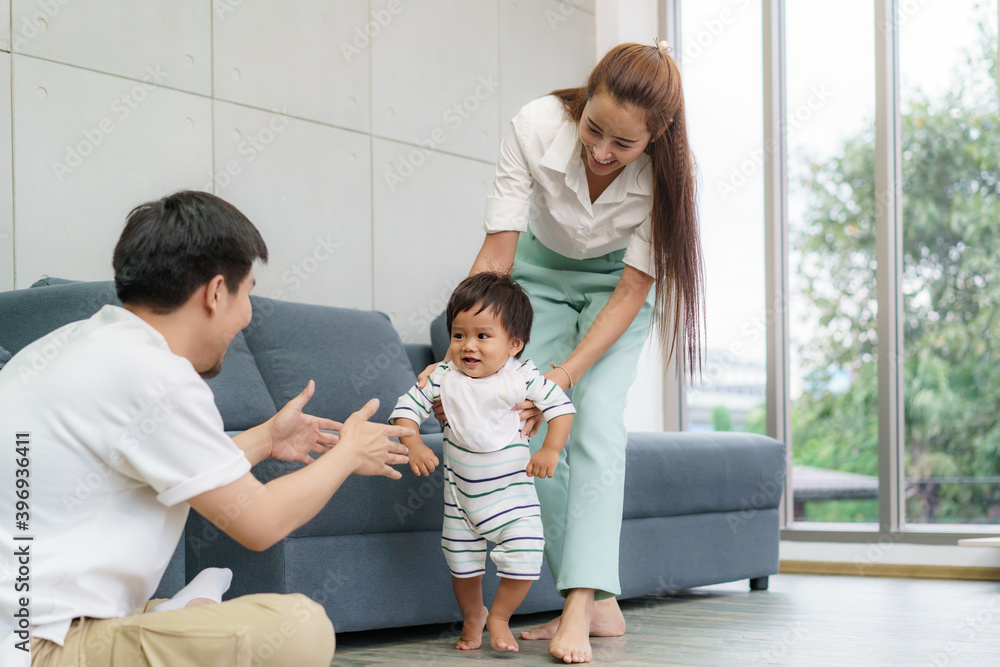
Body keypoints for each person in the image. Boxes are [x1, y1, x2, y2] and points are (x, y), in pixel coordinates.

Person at [0, 191, 411, 666]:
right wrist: (349, 452)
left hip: (28, 624)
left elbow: (168, 468)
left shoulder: (74, 344)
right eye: (248, 292)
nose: (247, 314)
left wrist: (266, 439)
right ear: (217, 292)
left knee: (196, 605)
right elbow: (260, 523)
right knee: (299, 628)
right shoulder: (156, 376)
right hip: (38, 646)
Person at [418, 41, 704, 663]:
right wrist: (453, 362)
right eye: (593, 130)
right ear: (584, 100)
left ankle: (578, 605)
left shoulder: (670, 179)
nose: (601, 152)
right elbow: (498, 253)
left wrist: (568, 375)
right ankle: (597, 601)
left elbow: (631, 291)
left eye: (623, 145)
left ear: (656, 139)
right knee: (514, 424)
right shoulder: (536, 125)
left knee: (596, 421)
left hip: (615, 291)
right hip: (535, 276)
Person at [390, 272, 575, 653]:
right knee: (462, 568)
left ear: (514, 344)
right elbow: (405, 409)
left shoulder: (522, 377)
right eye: (458, 335)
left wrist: (550, 450)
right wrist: (413, 443)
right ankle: (474, 615)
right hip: (461, 503)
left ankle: (501, 617)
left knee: (525, 560)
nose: (467, 346)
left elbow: (560, 408)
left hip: (513, 501)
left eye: (482, 336)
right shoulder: (443, 377)